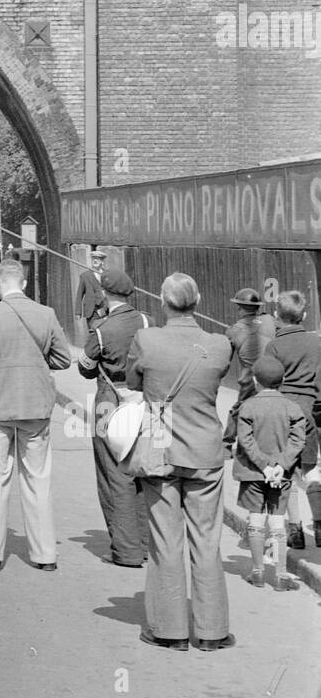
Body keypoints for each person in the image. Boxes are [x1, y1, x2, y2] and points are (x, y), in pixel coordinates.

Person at [125, 272, 234, 652]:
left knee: (165, 540)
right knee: (206, 541)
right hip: (205, 449)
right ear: (198, 300)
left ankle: (170, 631)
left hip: (162, 446)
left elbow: (133, 382)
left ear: (162, 300)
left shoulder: (147, 339)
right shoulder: (218, 344)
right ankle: (212, 631)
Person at [0, 260, 71, 571]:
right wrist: (35, 363)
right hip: (36, 406)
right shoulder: (46, 314)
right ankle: (44, 555)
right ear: (24, 284)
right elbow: (63, 359)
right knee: (38, 479)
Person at [77, 269, 150, 567]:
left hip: (111, 400)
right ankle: (145, 545)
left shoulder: (102, 330)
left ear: (105, 294)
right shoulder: (147, 322)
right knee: (144, 473)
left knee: (114, 475)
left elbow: (85, 368)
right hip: (145, 399)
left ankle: (126, 549)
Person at [233, 353, 305, 591]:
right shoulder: (293, 407)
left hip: (254, 472)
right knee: (277, 520)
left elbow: (245, 439)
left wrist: (264, 465)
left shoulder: (248, 406)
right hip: (281, 474)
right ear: (282, 380)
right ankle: (281, 575)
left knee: (255, 518)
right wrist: (279, 465)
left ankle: (257, 573)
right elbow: (298, 440)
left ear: (255, 381)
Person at [264, 290, 321, 549]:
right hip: (310, 410)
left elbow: (268, 381)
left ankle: (295, 531)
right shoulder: (316, 343)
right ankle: (319, 527)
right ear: (305, 315)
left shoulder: (273, 346)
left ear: (277, 316)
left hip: (283, 412)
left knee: (286, 472)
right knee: (311, 471)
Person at [223, 288, 277, 451]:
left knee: (238, 409)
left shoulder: (234, 330)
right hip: (273, 374)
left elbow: (226, 360)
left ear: (240, 308)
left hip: (251, 377)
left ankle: (226, 444)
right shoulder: (270, 320)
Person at [74, 250, 108, 334]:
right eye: (93, 258)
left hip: (105, 310)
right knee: (93, 334)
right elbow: (79, 294)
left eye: (98, 258)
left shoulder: (107, 275)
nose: (95, 260)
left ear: (102, 261)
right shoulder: (85, 276)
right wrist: (78, 312)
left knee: (105, 333)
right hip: (91, 311)